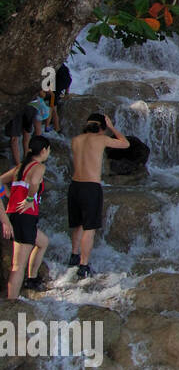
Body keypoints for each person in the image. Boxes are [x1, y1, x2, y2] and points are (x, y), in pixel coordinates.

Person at [68, 113, 131, 279]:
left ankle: (73, 256)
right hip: (91, 187)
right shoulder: (101, 140)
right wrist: (112, 127)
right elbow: (125, 144)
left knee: (78, 224)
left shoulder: (76, 139)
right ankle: (84, 265)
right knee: (90, 228)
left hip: (74, 186)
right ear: (102, 128)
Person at [6, 136, 52, 298]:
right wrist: (29, 199)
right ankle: (11, 302)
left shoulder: (20, 167)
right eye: (49, 150)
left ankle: (32, 279)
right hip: (25, 216)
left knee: (43, 242)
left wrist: (10, 195)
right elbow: (34, 182)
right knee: (18, 265)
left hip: (15, 215)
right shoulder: (38, 167)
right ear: (44, 150)